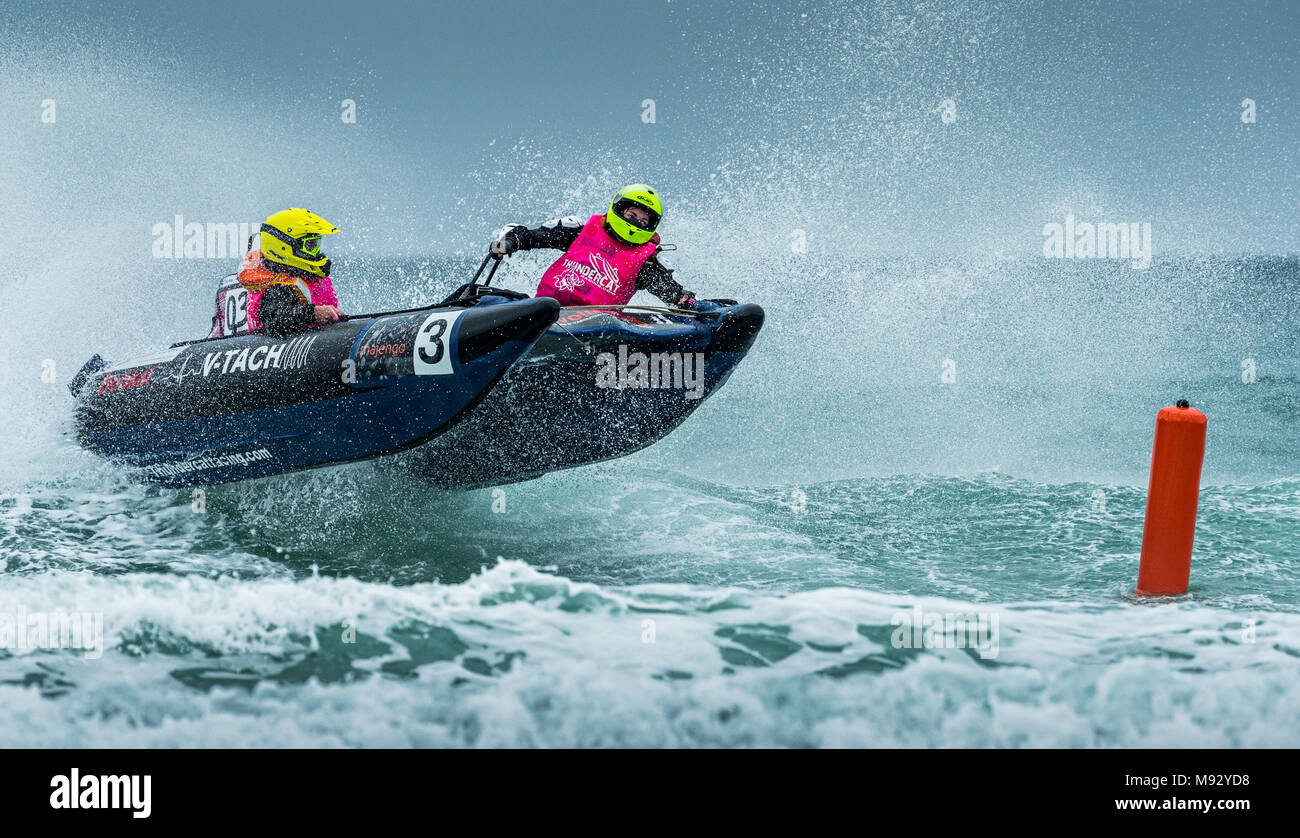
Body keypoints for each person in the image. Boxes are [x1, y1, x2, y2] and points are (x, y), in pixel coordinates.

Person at [489, 184, 696, 309]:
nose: (635, 223)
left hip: (597, 331)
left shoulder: (647, 261)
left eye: (642, 221)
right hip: (546, 313)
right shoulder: (581, 229)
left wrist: (686, 301)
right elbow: (533, 236)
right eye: (631, 215)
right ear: (619, 209)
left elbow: (676, 294)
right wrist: (508, 242)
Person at [210, 208, 345, 337]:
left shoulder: (300, 275)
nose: (316, 252)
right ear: (283, 247)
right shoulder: (277, 287)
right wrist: (313, 314)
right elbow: (275, 319)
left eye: (316, 245)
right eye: (310, 246)